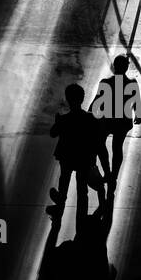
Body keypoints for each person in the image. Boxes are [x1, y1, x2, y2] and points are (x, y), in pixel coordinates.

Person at [48, 84, 109, 223]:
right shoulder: (91, 119)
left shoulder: (63, 120)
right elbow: (99, 144)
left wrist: (57, 122)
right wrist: (106, 168)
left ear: (68, 99)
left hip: (67, 158)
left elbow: (53, 133)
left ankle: (59, 208)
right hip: (84, 159)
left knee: (63, 183)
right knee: (82, 191)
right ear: (82, 99)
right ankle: (81, 220)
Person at [91, 54, 140, 188]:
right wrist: (138, 115)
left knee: (100, 144)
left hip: (107, 120)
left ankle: (107, 172)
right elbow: (136, 101)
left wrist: (90, 113)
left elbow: (97, 101)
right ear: (126, 67)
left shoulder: (105, 83)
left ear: (114, 66)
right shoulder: (132, 83)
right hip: (123, 120)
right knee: (117, 147)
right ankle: (114, 175)